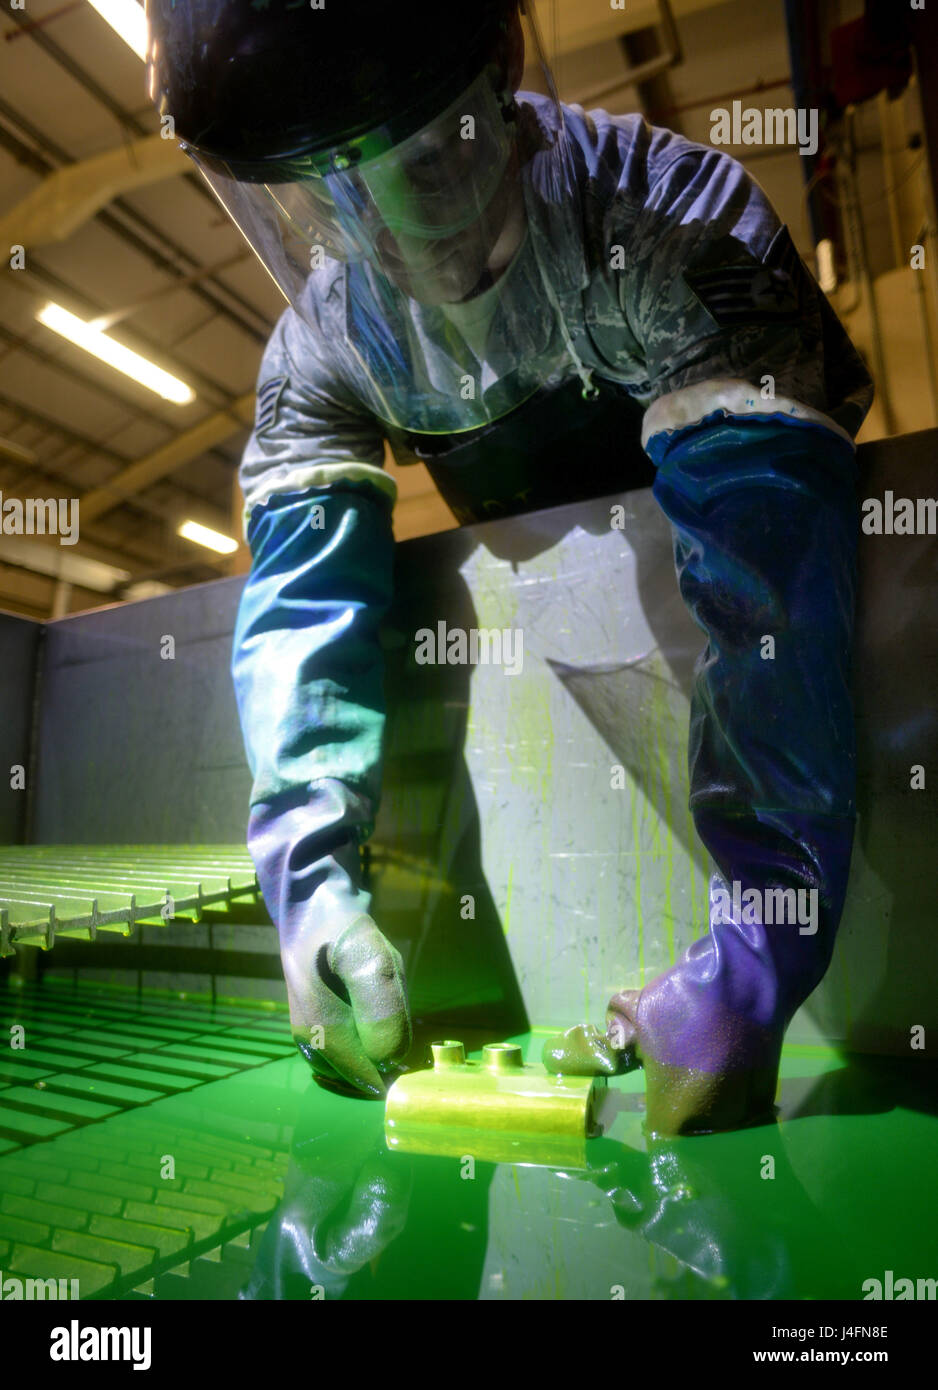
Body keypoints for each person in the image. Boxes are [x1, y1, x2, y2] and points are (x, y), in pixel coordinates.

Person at [146, 0, 873, 1135]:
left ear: (499, 72)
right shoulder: (321, 344)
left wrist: (763, 944)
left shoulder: (673, 223)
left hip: (712, 676)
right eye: (322, 195)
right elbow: (304, 601)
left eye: (426, 160)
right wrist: (309, 881)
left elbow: (769, 583)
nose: (390, 231)